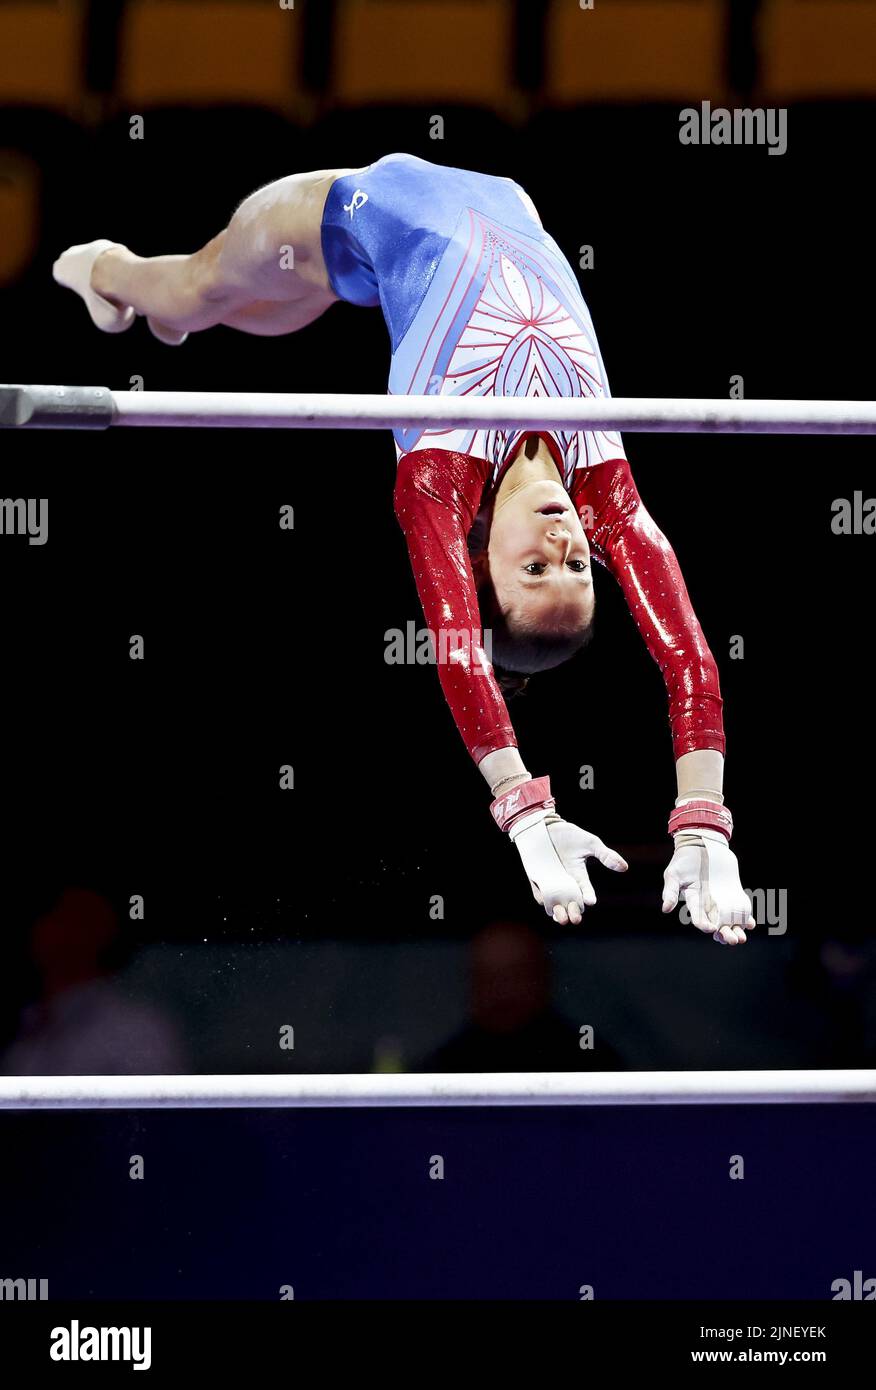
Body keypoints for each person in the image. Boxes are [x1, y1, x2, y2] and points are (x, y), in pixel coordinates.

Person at [53, 152, 754, 944]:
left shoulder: (438, 480)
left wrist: (523, 807)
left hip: (345, 209)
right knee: (267, 302)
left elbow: (459, 650)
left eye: (534, 567)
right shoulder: (605, 489)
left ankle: (111, 274)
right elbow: (689, 659)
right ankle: (186, 317)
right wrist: (704, 824)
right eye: (577, 565)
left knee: (204, 283)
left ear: (479, 558)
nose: (562, 541)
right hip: (492, 200)